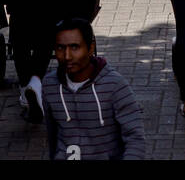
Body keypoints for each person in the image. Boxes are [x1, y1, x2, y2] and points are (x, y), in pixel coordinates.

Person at [43, 18, 146, 159]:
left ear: (91, 48)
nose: (67, 56)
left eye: (74, 47)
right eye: (60, 48)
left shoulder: (114, 85)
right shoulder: (50, 85)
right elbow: (52, 136)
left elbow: (135, 139)